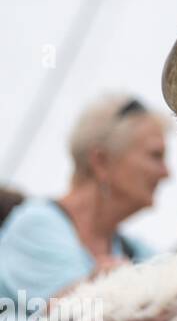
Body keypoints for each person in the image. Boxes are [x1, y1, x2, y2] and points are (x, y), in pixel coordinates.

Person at [0, 94, 168, 304]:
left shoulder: (131, 249)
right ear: (101, 161)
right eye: (155, 156)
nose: (166, 173)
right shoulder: (37, 225)